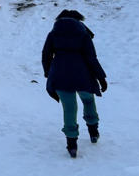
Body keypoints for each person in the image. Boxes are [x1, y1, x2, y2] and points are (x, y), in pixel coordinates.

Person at [41, 9, 108, 158]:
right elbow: (92, 58)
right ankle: (93, 131)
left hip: (59, 75)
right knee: (89, 100)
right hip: (82, 75)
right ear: (79, 20)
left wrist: (48, 72)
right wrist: (101, 78)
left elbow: (46, 55)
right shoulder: (83, 33)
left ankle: (72, 144)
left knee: (69, 108)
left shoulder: (53, 33)